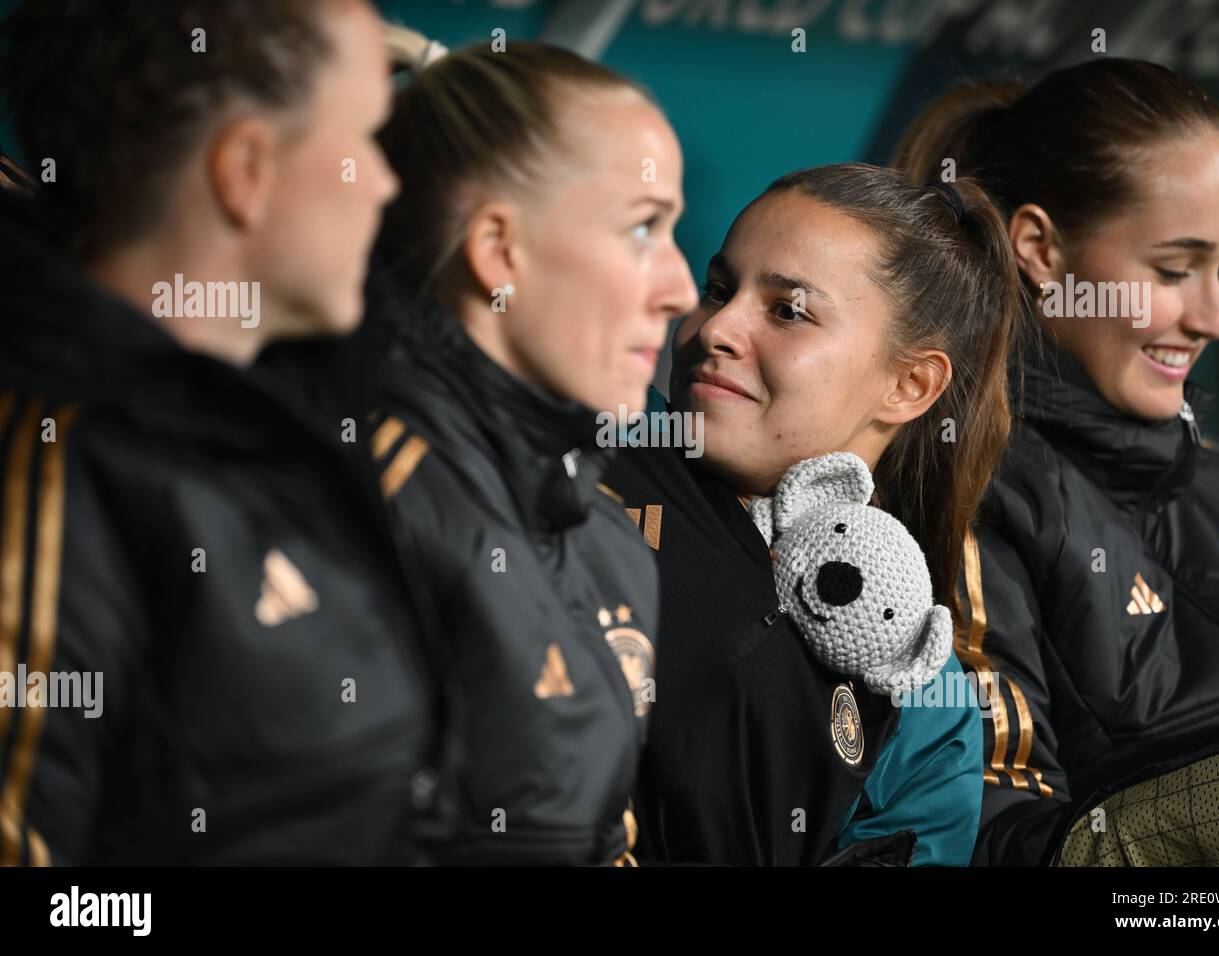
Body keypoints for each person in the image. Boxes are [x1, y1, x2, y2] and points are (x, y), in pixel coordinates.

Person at [0, 0, 447, 864]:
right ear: (246, 169)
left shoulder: (281, 417)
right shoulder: (50, 473)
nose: (388, 184)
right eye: (364, 141)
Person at [894, 58, 1219, 866]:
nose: (1215, 316)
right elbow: (988, 846)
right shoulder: (955, 492)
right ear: (1041, 250)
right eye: (1174, 270)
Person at [604, 163, 1022, 865]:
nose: (717, 328)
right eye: (717, 290)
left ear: (909, 384)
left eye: (788, 310)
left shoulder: (923, 698)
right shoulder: (569, 448)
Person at [366, 36, 698, 864]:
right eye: (643, 227)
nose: (683, 290)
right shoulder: (346, 508)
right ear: (498, 251)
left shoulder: (612, 545)